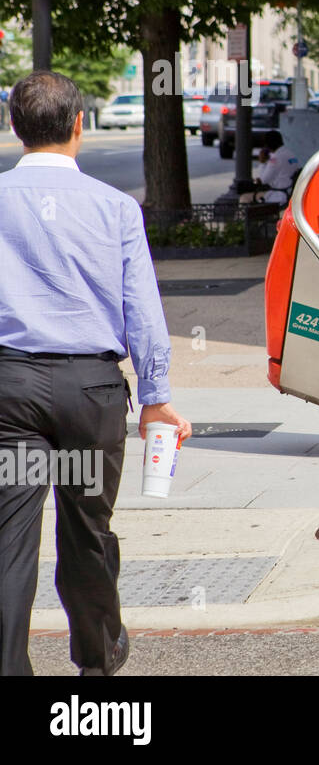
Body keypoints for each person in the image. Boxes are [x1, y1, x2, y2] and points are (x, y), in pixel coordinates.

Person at [0, 70, 192, 677]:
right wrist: (157, 396)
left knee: (11, 541)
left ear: (14, 127)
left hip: (11, 392)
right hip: (90, 391)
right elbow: (143, 309)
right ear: (79, 125)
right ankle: (97, 656)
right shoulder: (114, 209)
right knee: (87, 530)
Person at [256, 129, 300, 205]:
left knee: (245, 198)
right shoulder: (291, 154)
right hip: (289, 193)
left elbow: (263, 180)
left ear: (268, 145)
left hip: (278, 195)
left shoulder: (275, 159)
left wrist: (262, 162)